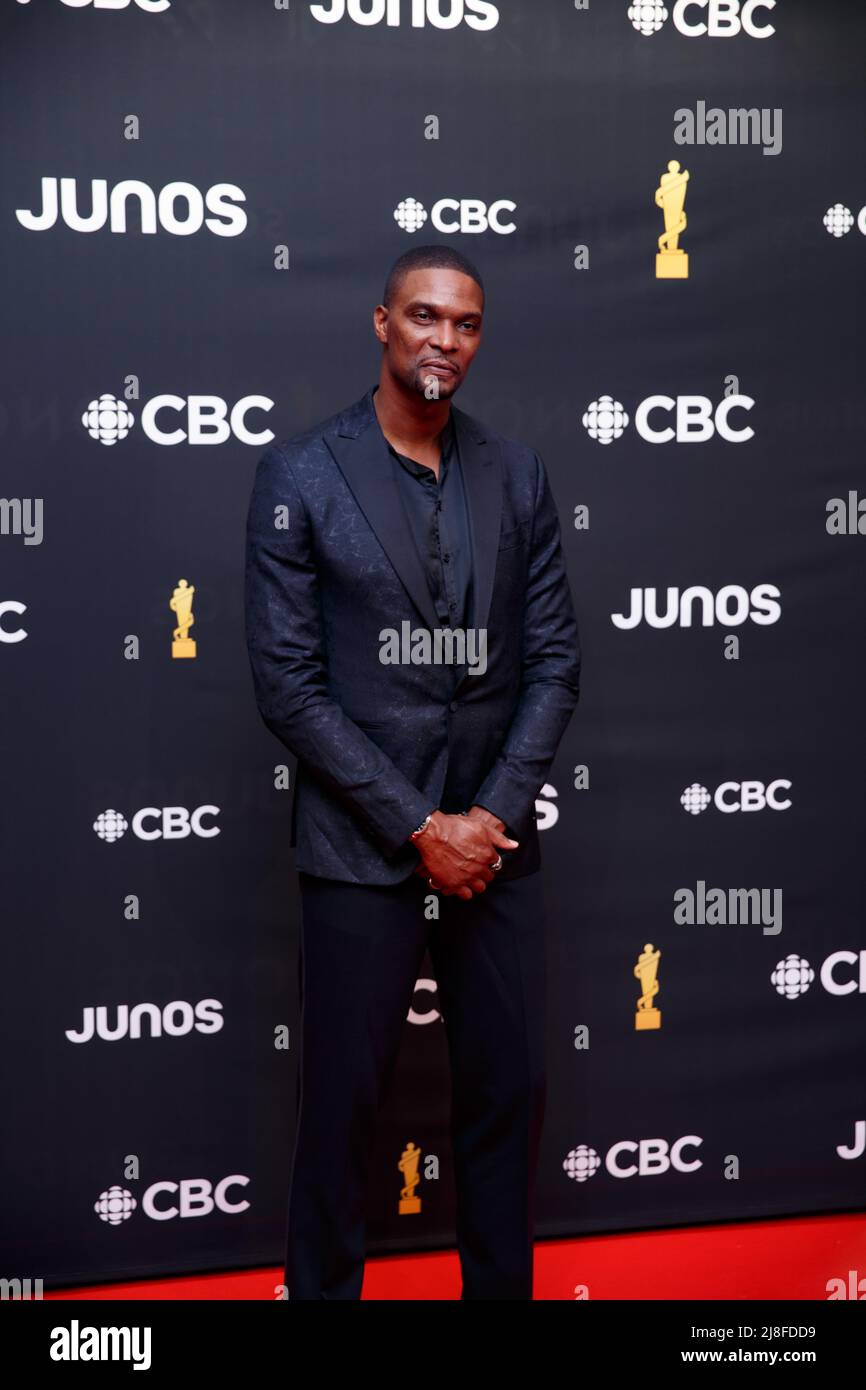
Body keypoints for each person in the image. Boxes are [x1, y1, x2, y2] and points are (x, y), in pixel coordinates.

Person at [244, 244, 580, 1299]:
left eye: (466, 324)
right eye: (425, 317)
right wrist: (418, 826)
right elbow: (289, 686)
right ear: (382, 325)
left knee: (506, 1098)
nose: (445, 339)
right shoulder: (300, 472)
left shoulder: (514, 472)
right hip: (360, 848)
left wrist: (483, 818)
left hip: (495, 846)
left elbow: (554, 660)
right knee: (343, 1114)